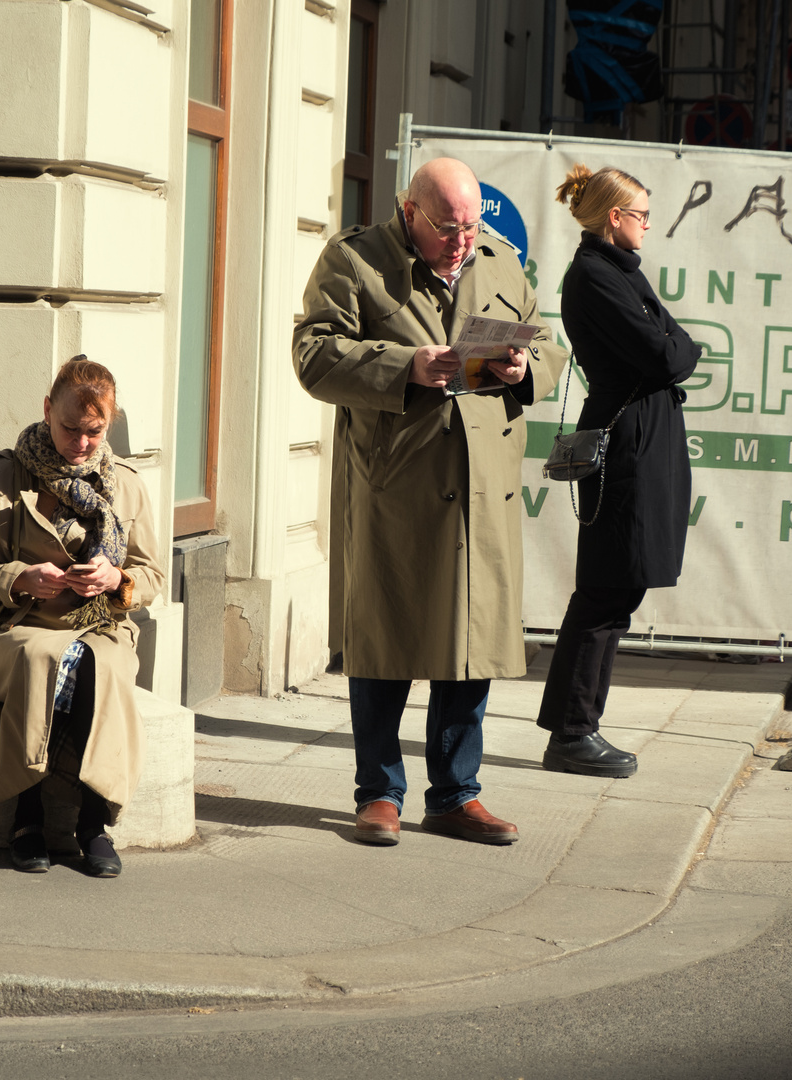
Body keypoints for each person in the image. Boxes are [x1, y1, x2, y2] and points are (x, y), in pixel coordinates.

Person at [293, 157, 566, 847]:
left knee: (467, 645)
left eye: (470, 227)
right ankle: (378, 793)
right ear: (407, 210)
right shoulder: (354, 261)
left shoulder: (500, 262)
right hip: (395, 487)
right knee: (385, 641)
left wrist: (523, 367)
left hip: (483, 488)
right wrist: (404, 366)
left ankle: (455, 795)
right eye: (447, 227)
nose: (461, 242)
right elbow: (314, 356)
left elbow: (553, 352)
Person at [0, 356, 163, 876]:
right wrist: (17, 578)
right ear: (46, 410)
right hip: (15, 626)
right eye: (69, 428)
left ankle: (93, 821)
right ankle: (28, 815)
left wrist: (116, 580)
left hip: (99, 625)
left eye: (95, 431)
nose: (81, 443)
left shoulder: (125, 484)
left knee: (100, 665)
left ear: (110, 423)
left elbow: (150, 575)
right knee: (42, 658)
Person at [534, 165, 700, 778]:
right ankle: (572, 733)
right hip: (623, 441)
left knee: (618, 588)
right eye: (642, 215)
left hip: (639, 435)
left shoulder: (618, 274)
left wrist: (674, 345)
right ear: (614, 218)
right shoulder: (596, 277)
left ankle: (578, 727)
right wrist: (673, 345)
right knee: (606, 587)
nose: (648, 226)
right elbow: (669, 353)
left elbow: (676, 348)